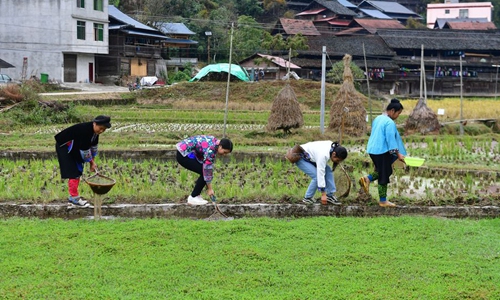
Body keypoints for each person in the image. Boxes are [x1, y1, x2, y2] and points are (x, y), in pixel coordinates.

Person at [55, 115, 111, 207]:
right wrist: (91, 163)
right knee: (74, 171)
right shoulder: (86, 131)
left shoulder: (95, 133)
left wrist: (93, 161)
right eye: (100, 128)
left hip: (76, 146)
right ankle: (74, 198)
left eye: (103, 130)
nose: (101, 131)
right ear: (94, 123)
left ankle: (73, 197)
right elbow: (85, 150)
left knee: (78, 170)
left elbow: (93, 147)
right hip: (65, 146)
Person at [359, 98, 406, 207]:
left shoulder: (378, 118)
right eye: (399, 113)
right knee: (384, 174)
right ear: (393, 111)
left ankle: (367, 179)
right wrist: (398, 154)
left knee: (383, 170)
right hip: (382, 151)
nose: (398, 116)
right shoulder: (389, 122)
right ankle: (383, 200)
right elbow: (391, 140)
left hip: (372, 149)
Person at [176, 135, 233, 205]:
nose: (224, 155)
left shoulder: (215, 142)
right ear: (220, 146)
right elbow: (207, 171)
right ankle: (193, 197)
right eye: (224, 152)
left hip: (186, 151)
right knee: (204, 172)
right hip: (183, 155)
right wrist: (210, 189)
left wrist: (208, 186)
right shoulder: (211, 150)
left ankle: (196, 195)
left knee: (205, 172)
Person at [296, 141, 348, 205]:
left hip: (310, 157)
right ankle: (307, 198)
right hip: (300, 157)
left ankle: (330, 195)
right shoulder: (323, 155)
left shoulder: (333, 148)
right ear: (334, 154)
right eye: (337, 160)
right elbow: (320, 173)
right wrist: (323, 194)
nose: (338, 162)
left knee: (328, 170)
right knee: (316, 176)